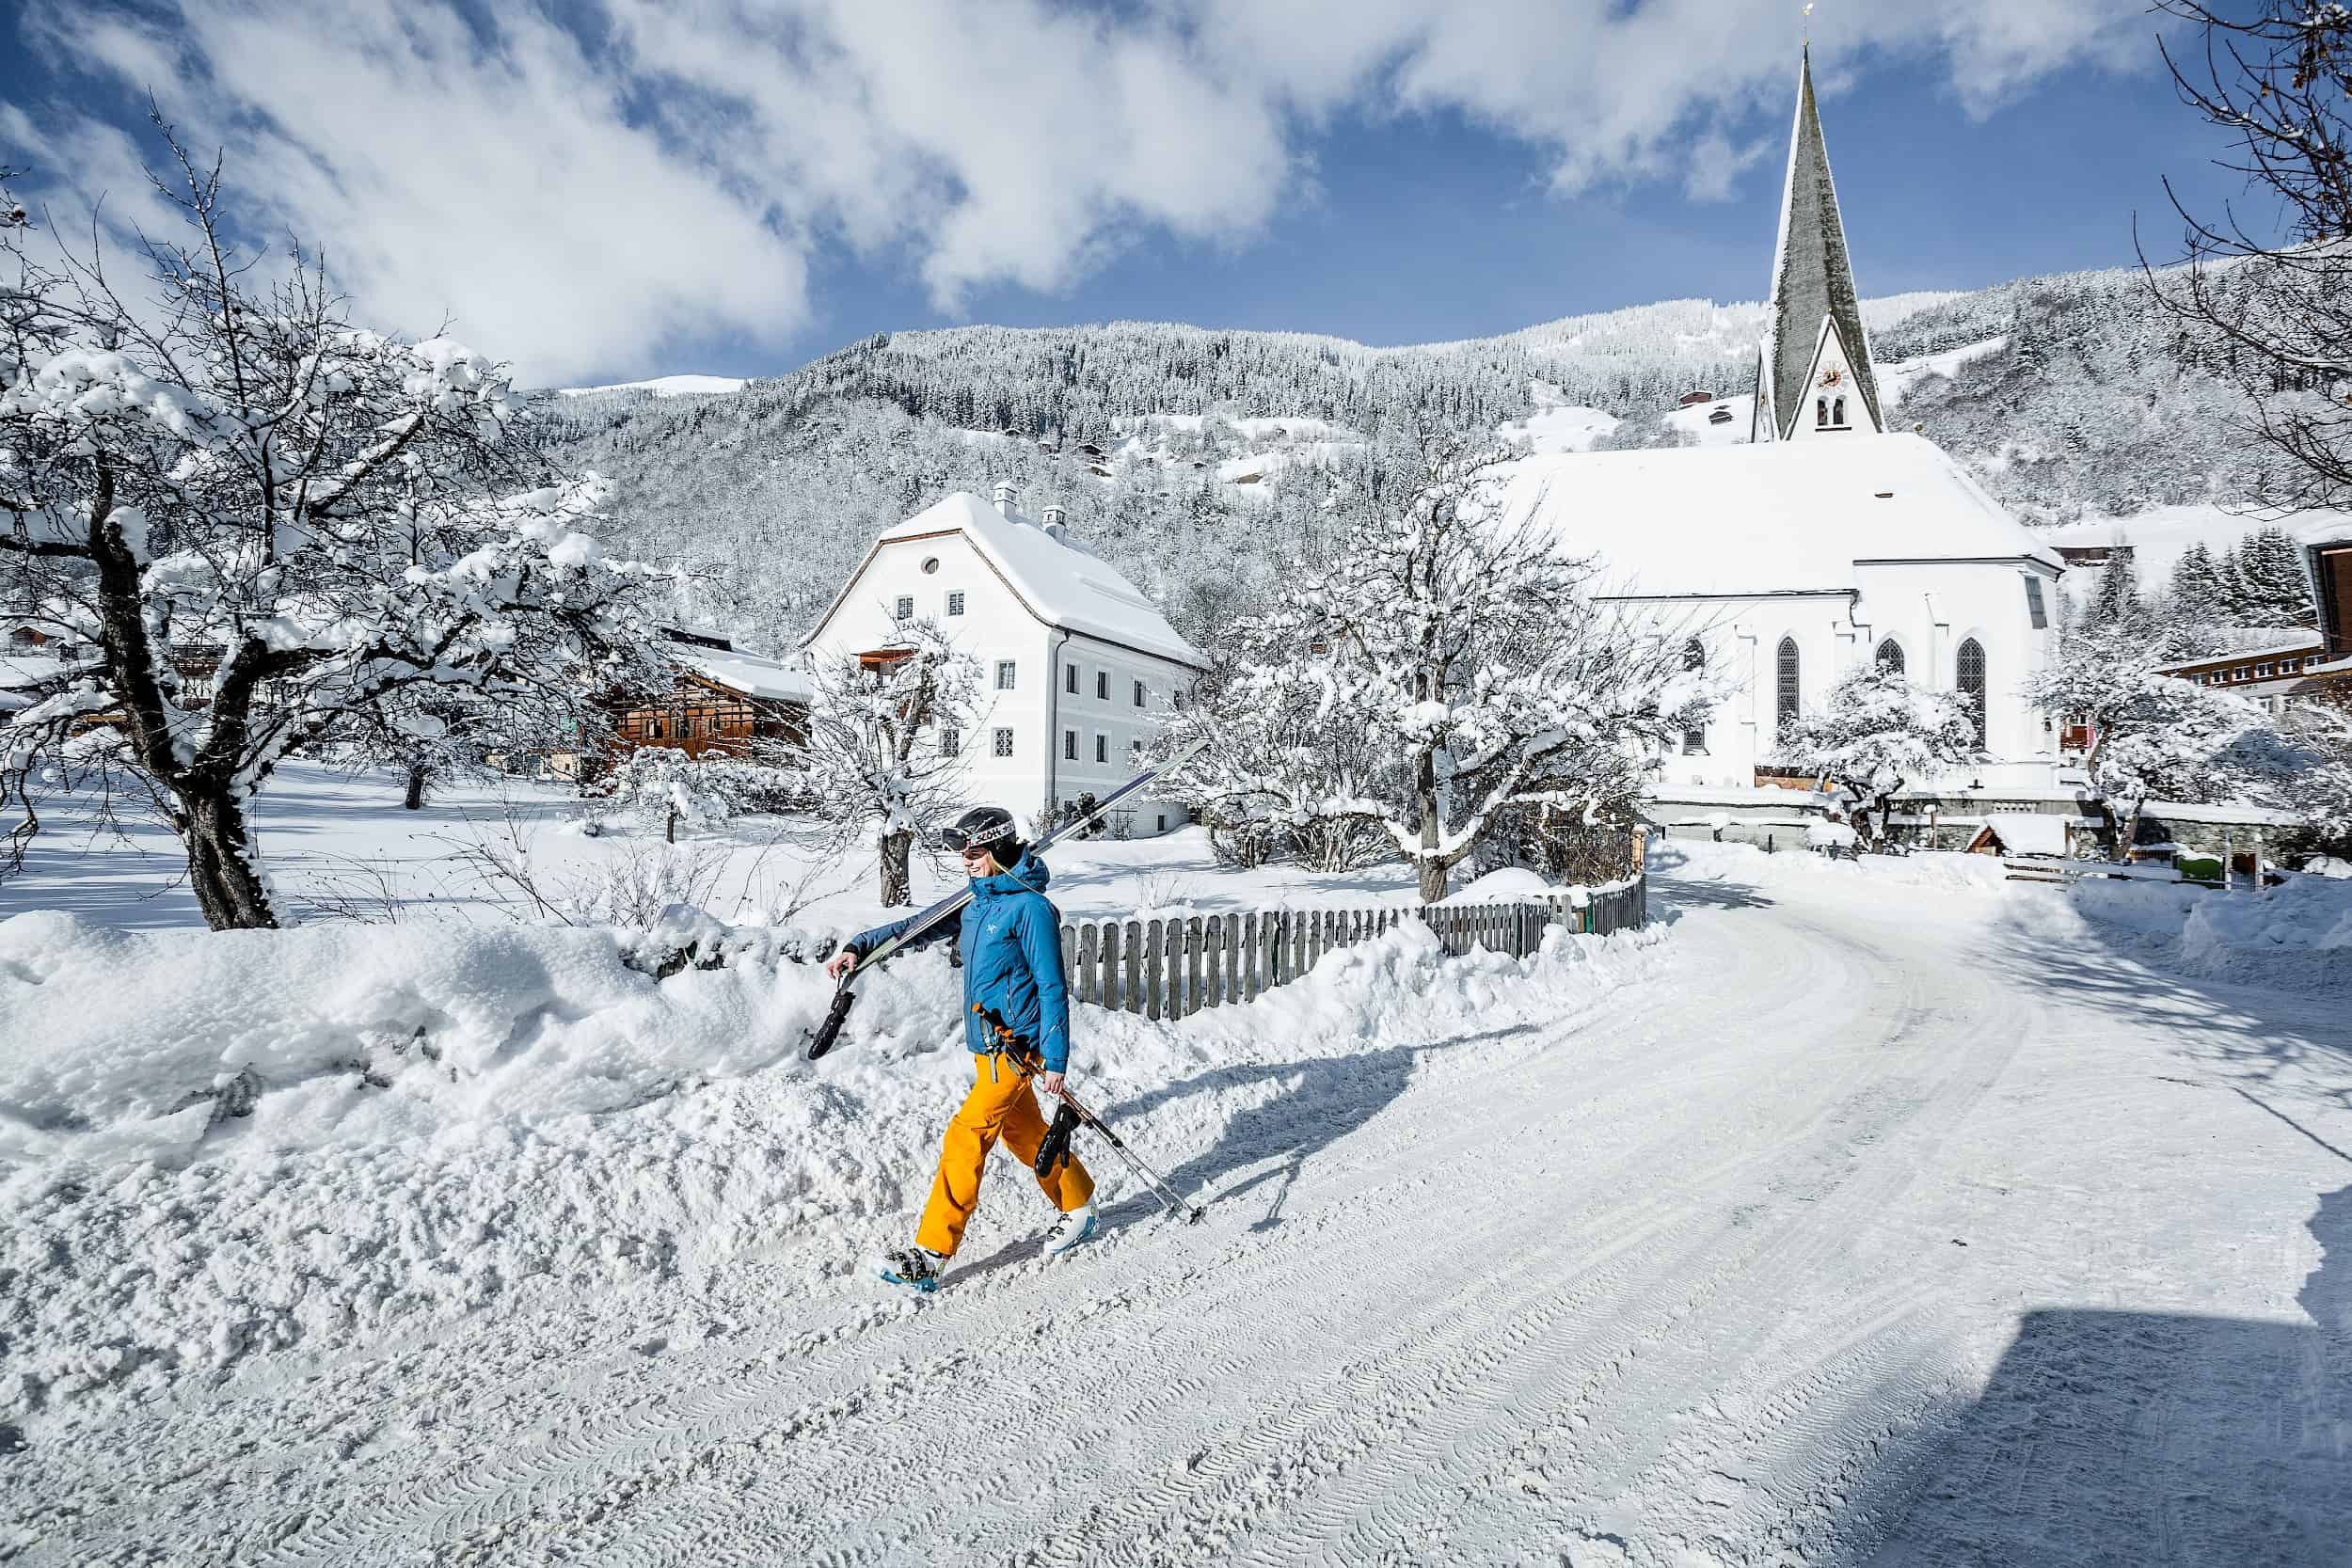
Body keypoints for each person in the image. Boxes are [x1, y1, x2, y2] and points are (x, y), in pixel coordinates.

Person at [827, 803, 1097, 1292]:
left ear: (997, 848)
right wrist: (858, 946)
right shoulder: (976, 903)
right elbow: (914, 927)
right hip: (986, 1046)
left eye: (974, 851)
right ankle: (1077, 1204)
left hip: (1017, 1046)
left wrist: (1055, 1059)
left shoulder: (1030, 908)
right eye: (963, 853)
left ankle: (931, 1253)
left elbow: (1052, 987)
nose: (966, 860)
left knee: (966, 1133)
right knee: (1026, 1133)